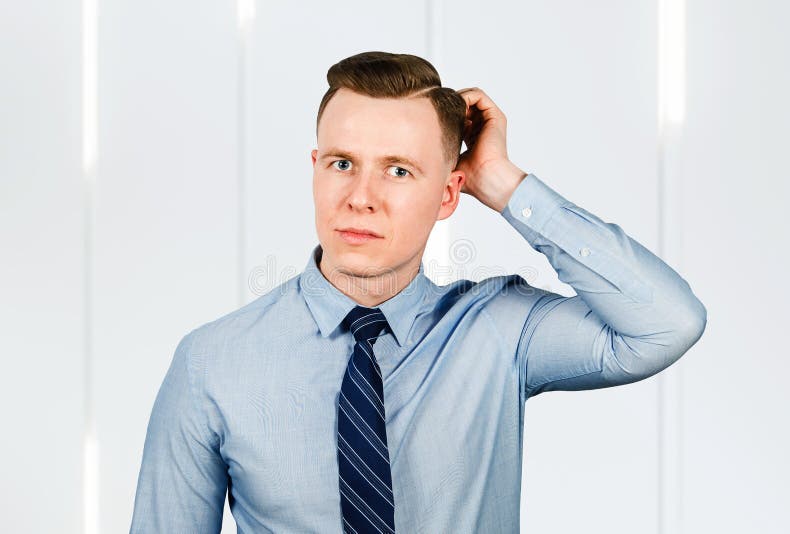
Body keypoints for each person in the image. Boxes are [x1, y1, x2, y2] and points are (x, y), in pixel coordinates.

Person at [129, 51, 707, 533]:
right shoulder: (211, 363)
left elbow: (666, 323)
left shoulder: (499, 332)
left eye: (399, 170)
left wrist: (504, 183)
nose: (360, 196)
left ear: (450, 193)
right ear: (314, 169)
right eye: (341, 163)